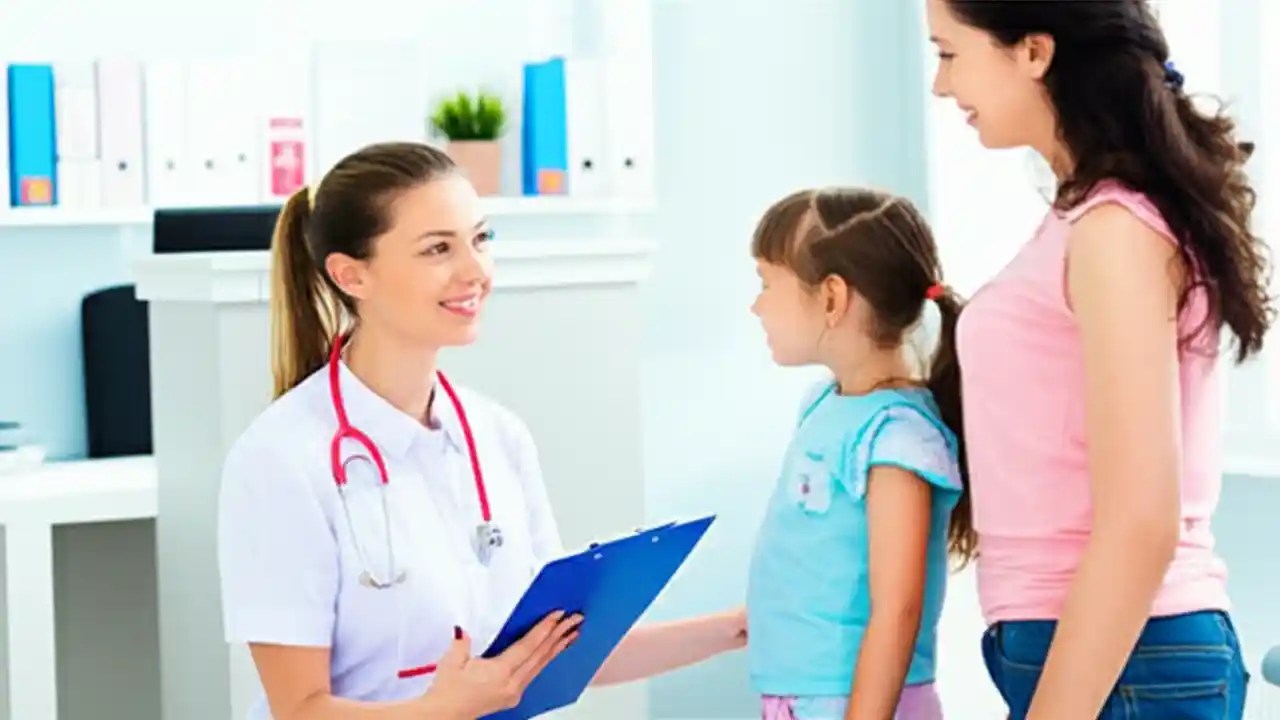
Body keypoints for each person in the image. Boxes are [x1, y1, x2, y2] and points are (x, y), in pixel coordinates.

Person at [217, 141, 746, 719]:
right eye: (438, 249)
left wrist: (739, 628)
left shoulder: (497, 435)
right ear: (351, 275)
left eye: (481, 240)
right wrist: (442, 710)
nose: (475, 272)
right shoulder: (282, 458)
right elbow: (300, 710)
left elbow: (556, 648)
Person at [926, 1, 1270, 718]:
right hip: (1105, 651)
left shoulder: (1115, 230)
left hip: (1129, 655)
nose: (939, 84)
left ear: (1034, 51)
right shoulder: (1088, 219)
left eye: (950, 53)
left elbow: (1142, 520)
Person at [744, 186, 975, 720]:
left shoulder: (897, 437)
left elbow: (898, 610)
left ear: (831, 298)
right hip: (802, 700)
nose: (756, 305)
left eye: (765, 284)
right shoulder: (824, 406)